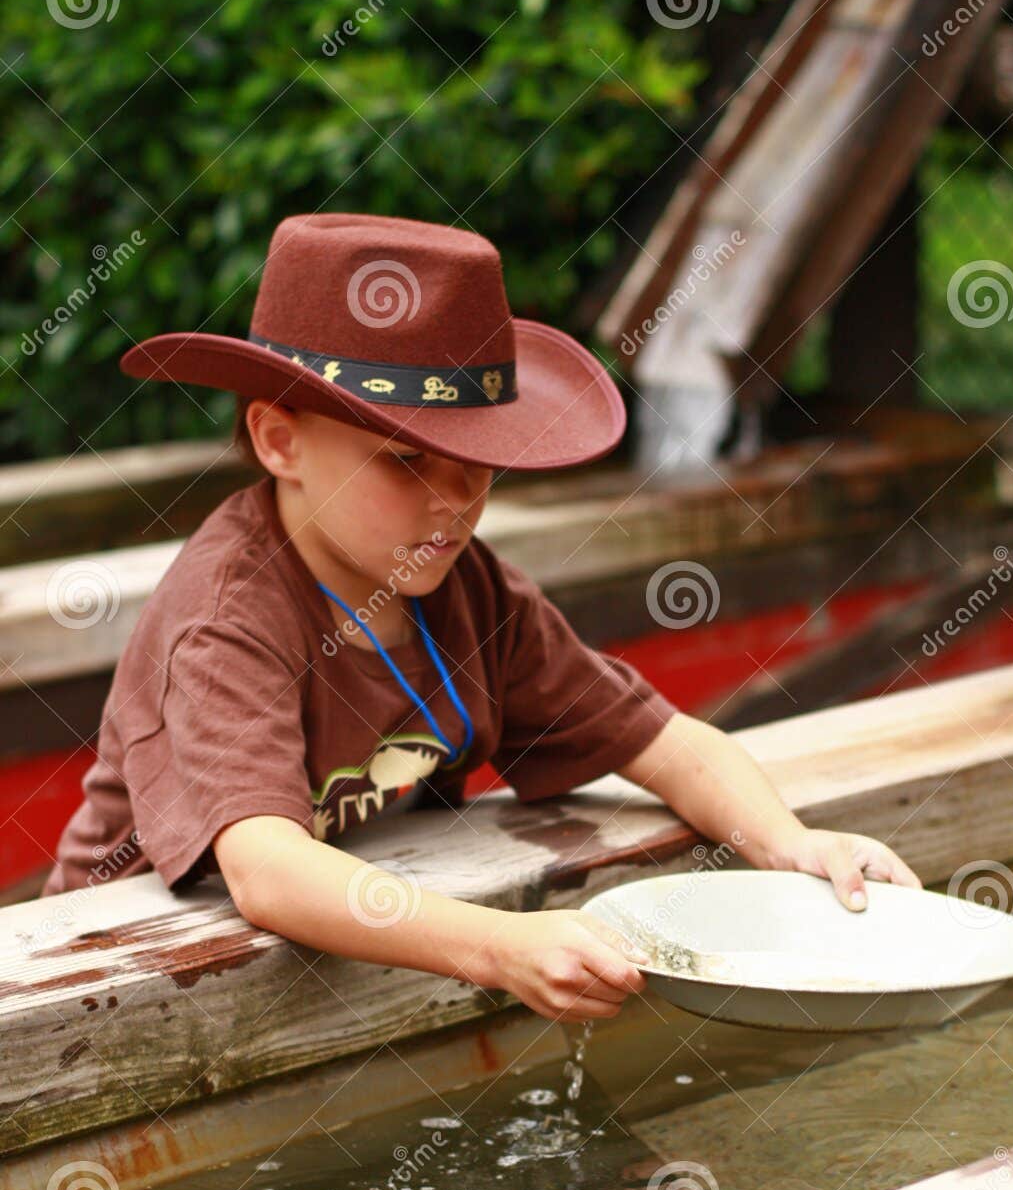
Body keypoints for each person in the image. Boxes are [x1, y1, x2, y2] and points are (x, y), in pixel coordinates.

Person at [44, 212, 921, 1022]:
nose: (455, 503)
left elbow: (668, 742)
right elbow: (267, 873)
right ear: (280, 442)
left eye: (476, 462)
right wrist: (500, 947)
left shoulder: (468, 589)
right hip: (112, 984)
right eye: (404, 462)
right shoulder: (228, 617)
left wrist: (790, 846)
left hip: (354, 955)